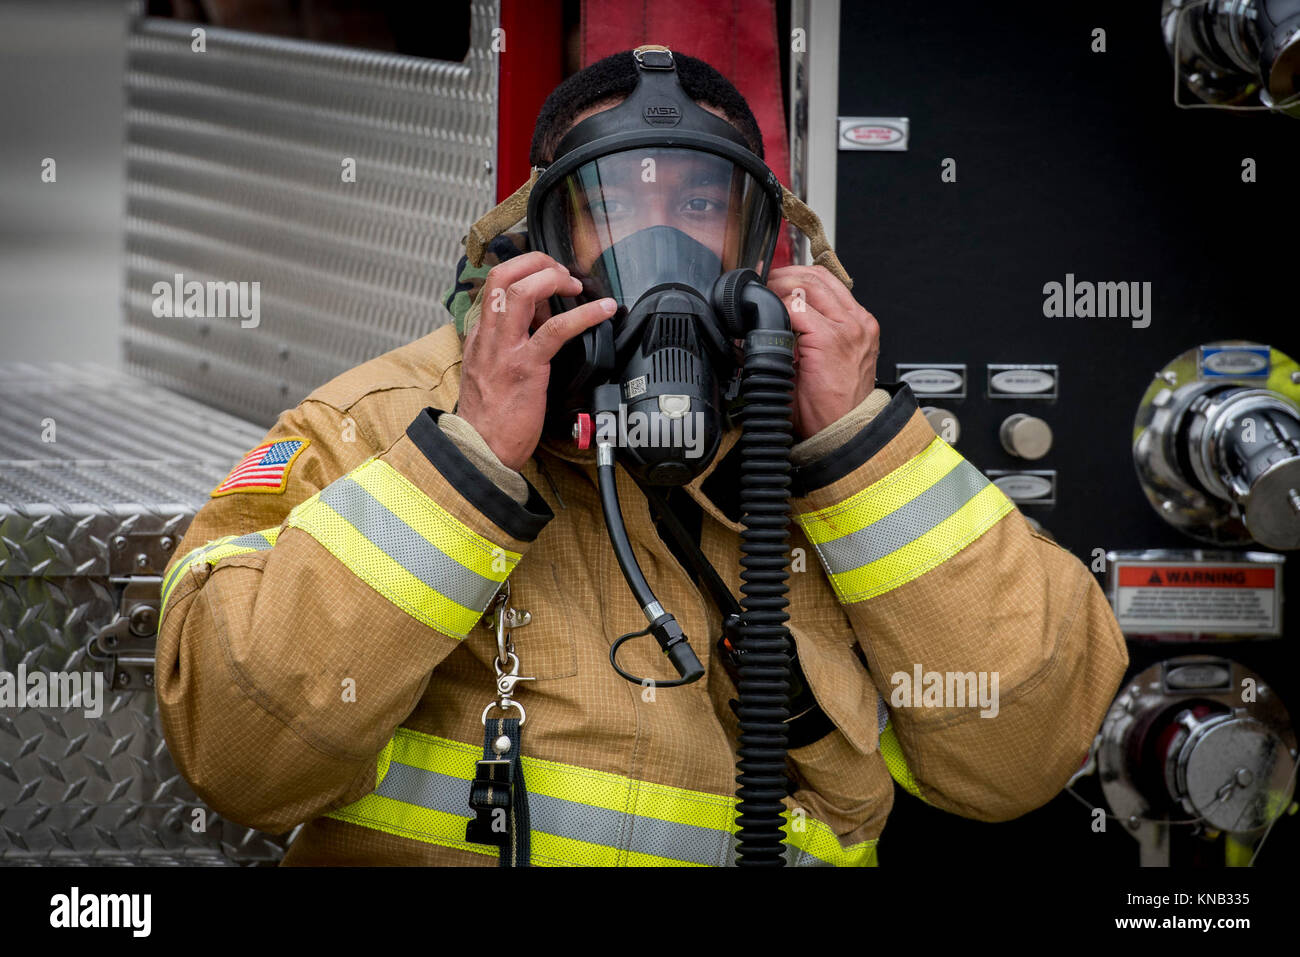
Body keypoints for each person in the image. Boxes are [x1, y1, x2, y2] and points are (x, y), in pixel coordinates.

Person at [156, 47, 1129, 866]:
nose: (661, 239)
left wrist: (859, 445)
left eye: (702, 203)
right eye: (614, 203)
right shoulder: (381, 421)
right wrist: (468, 463)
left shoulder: (825, 441)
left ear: (758, 247)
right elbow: (243, 757)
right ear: (541, 237)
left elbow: (1018, 758)